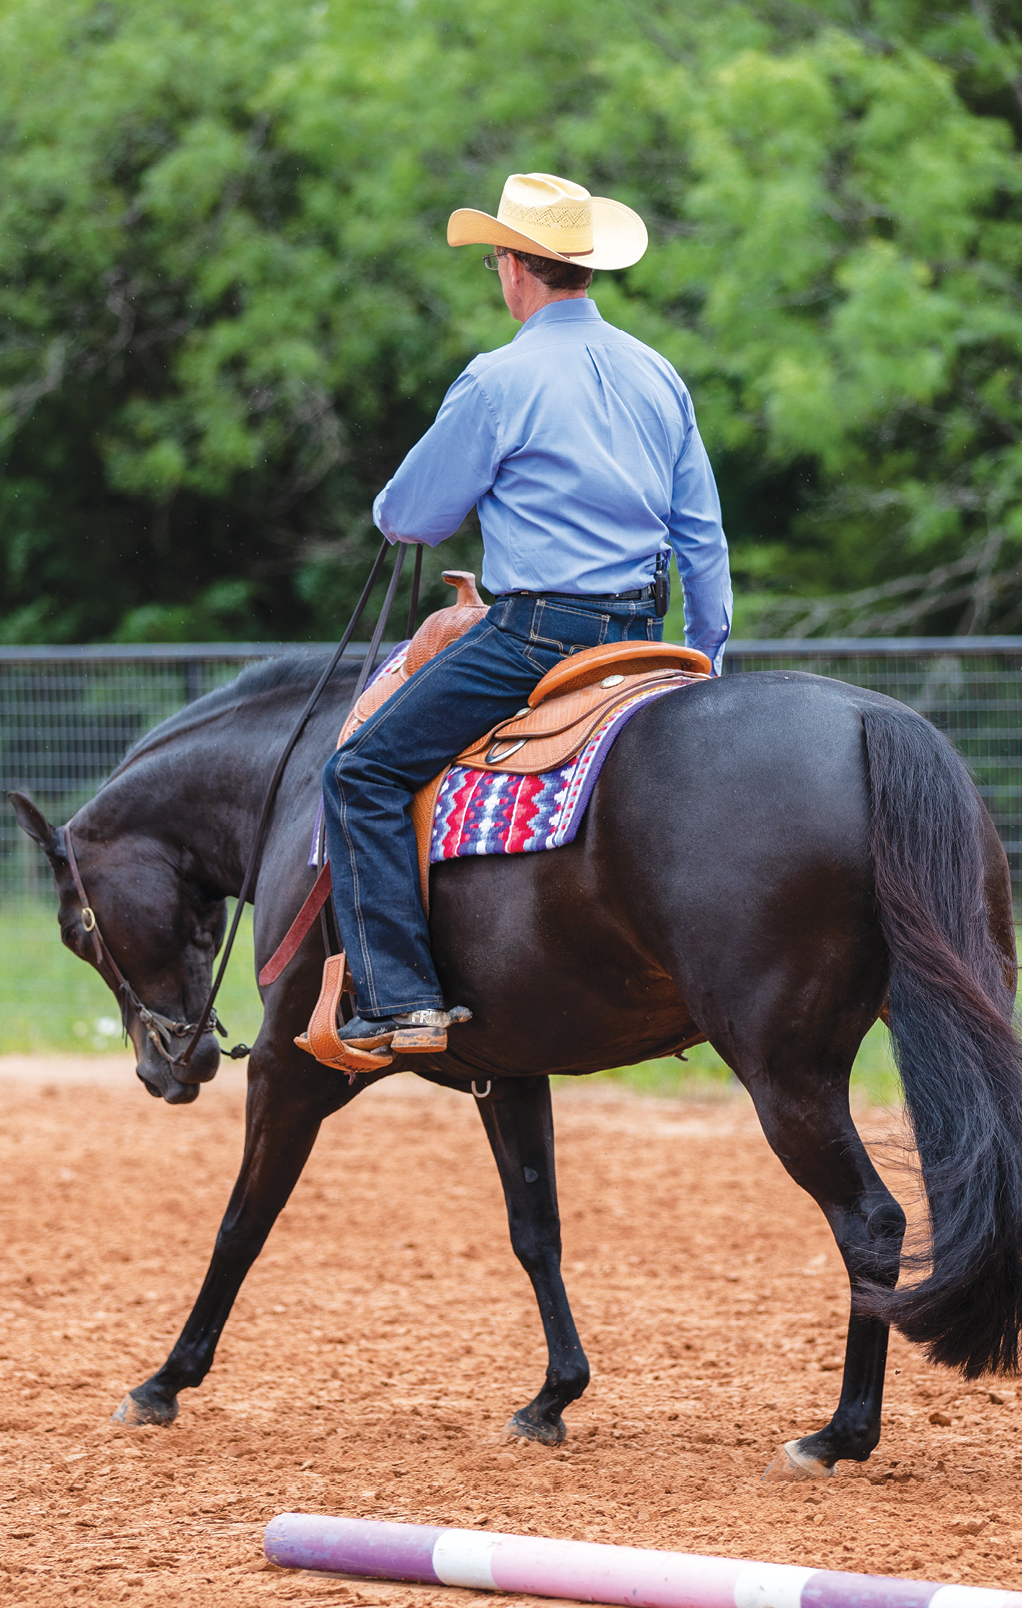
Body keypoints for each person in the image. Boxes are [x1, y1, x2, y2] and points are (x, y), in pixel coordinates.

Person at [320, 172, 732, 1054]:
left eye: (497, 260)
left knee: (361, 773)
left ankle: (400, 1000)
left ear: (512, 268)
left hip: (535, 639)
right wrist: (702, 656)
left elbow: (411, 519)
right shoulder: (659, 373)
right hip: (644, 642)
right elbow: (703, 536)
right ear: (581, 269)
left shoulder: (497, 379)